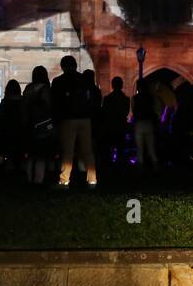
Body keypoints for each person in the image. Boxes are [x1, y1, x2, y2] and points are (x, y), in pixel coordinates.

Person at [52, 56, 98, 188]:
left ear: (63, 66)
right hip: (85, 119)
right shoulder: (85, 79)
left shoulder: (58, 81)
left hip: (68, 119)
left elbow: (56, 103)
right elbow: (91, 100)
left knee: (68, 151)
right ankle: (92, 180)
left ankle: (64, 180)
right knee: (87, 150)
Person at [22, 66, 55, 185]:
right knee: (41, 154)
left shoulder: (28, 88)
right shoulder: (45, 89)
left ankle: (29, 179)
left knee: (31, 154)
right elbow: (48, 106)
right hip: (42, 126)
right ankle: (38, 180)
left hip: (29, 124)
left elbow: (24, 106)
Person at [0, 79, 28, 173]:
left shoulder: (4, 102)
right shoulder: (23, 101)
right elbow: (25, 116)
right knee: (20, 155)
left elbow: (2, 117)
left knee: (9, 155)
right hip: (20, 132)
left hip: (6, 132)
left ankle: (8, 174)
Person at [131, 77, 160, 172]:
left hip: (139, 124)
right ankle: (156, 167)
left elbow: (134, 111)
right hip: (149, 123)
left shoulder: (135, 98)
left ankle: (140, 168)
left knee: (139, 149)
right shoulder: (151, 97)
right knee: (151, 148)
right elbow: (156, 111)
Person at [101, 77, 131, 165]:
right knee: (120, 148)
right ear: (121, 85)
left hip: (110, 126)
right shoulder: (126, 99)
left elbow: (105, 112)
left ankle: (110, 165)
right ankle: (119, 165)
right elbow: (126, 112)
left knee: (109, 147)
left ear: (112, 85)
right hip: (121, 125)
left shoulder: (107, 98)